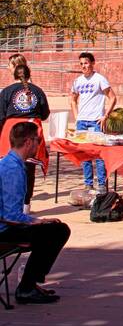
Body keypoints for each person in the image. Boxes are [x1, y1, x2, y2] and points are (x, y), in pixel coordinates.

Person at [0, 122, 71, 305]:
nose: (39, 144)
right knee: (57, 231)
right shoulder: (13, 169)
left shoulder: (11, 163)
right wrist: (37, 221)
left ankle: (30, 283)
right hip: (4, 230)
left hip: (7, 225)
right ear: (29, 142)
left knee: (54, 229)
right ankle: (27, 286)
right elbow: (11, 216)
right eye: (38, 140)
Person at [0, 57, 51, 204]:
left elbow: (1, 116)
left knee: (9, 169)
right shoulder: (38, 91)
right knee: (29, 171)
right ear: (29, 74)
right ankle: (25, 206)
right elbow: (45, 114)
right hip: (32, 133)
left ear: (15, 74)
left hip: (11, 134)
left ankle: (10, 205)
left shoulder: (7, 92)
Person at [70, 52, 116, 194]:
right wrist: (77, 116)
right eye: (81, 64)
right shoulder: (78, 81)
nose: (84, 66)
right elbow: (73, 99)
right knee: (85, 155)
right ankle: (88, 184)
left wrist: (105, 116)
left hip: (96, 121)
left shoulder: (100, 79)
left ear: (93, 63)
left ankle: (102, 184)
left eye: (86, 63)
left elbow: (112, 98)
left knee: (99, 154)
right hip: (82, 122)